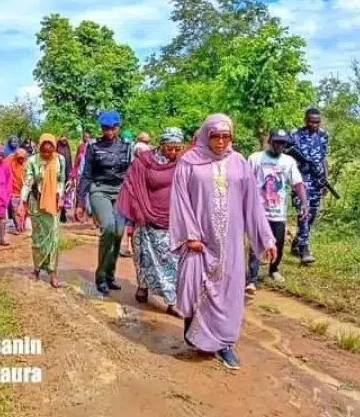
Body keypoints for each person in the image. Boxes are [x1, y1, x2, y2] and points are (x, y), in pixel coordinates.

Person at [170, 113, 277, 370]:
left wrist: (265, 238)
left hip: (230, 242)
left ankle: (224, 344)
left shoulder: (239, 163)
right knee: (196, 286)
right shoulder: (189, 162)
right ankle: (197, 337)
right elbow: (180, 199)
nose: (220, 141)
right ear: (206, 135)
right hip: (200, 240)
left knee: (228, 290)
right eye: (215, 136)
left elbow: (252, 204)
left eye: (225, 136)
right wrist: (190, 235)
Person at [116, 128, 184, 318]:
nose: (173, 153)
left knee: (171, 260)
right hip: (145, 216)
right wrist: (139, 210)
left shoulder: (182, 163)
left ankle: (171, 301)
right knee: (143, 257)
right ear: (161, 145)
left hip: (171, 218)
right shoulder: (145, 161)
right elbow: (132, 184)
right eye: (170, 148)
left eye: (177, 149)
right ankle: (143, 286)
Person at [76, 110, 132, 296]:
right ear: (101, 128)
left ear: (118, 127)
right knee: (108, 226)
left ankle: (110, 275)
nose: (109, 131)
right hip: (99, 190)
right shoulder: (93, 147)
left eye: (113, 127)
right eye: (105, 128)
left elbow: (132, 174)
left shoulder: (126, 147)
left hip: (120, 191)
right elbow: (86, 175)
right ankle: (100, 276)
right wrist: (80, 203)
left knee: (118, 233)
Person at [246, 130, 309, 289]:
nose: (280, 146)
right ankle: (252, 279)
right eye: (277, 142)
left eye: (283, 143)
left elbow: (298, 184)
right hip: (258, 210)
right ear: (270, 141)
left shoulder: (289, 161)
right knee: (256, 244)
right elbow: (246, 181)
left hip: (278, 211)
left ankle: (273, 269)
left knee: (279, 243)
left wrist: (304, 203)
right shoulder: (256, 158)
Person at [20, 134, 66, 288]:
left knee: (53, 238)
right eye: (44, 152)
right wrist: (22, 201)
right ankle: (37, 268)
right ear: (39, 149)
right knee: (38, 238)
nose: (47, 155)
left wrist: (61, 197)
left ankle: (53, 272)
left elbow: (61, 179)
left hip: (54, 204)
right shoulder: (32, 161)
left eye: (50, 151)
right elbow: (28, 182)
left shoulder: (60, 159)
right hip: (37, 204)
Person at [289, 108, 329, 265]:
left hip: (316, 180)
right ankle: (304, 249)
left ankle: (297, 242)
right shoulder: (295, 135)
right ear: (305, 120)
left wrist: (325, 179)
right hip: (300, 180)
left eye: (317, 122)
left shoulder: (323, 135)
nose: (315, 124)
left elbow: (323, 158)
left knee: (312, 215)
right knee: (303, 214)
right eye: (312, 121)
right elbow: (287, 155)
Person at [72, 130, 93, 220]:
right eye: (85, 137)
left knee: (89, 195)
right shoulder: (81, 147)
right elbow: (76, 161)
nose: (86, 138)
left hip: (90, 175)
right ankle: (78, 213)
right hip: (80, 175)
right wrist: (73, 173)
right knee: (80, 193)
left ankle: (88, 215)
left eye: (88, 137)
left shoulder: (92, 147)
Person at [7, 149, 28, 234]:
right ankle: (18, 226)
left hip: (24, 191)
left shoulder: (26, 165)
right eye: (19, 158)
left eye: (22, 158)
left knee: (24, 210)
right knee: (15, 210)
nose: (21, 160)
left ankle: (22, 225)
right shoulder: (10, 164)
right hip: (14, 192)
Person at [56, 135, 74, 223]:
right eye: (62, 140)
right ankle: (60, 212)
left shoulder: (67, 148)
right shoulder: (57, 148)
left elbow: (70, 162)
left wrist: (71, 176)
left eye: (65, 140)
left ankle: (63, 212)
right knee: (58, 193)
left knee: (64, 194)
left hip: (66, 175)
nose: (64, 141)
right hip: (58, 175)